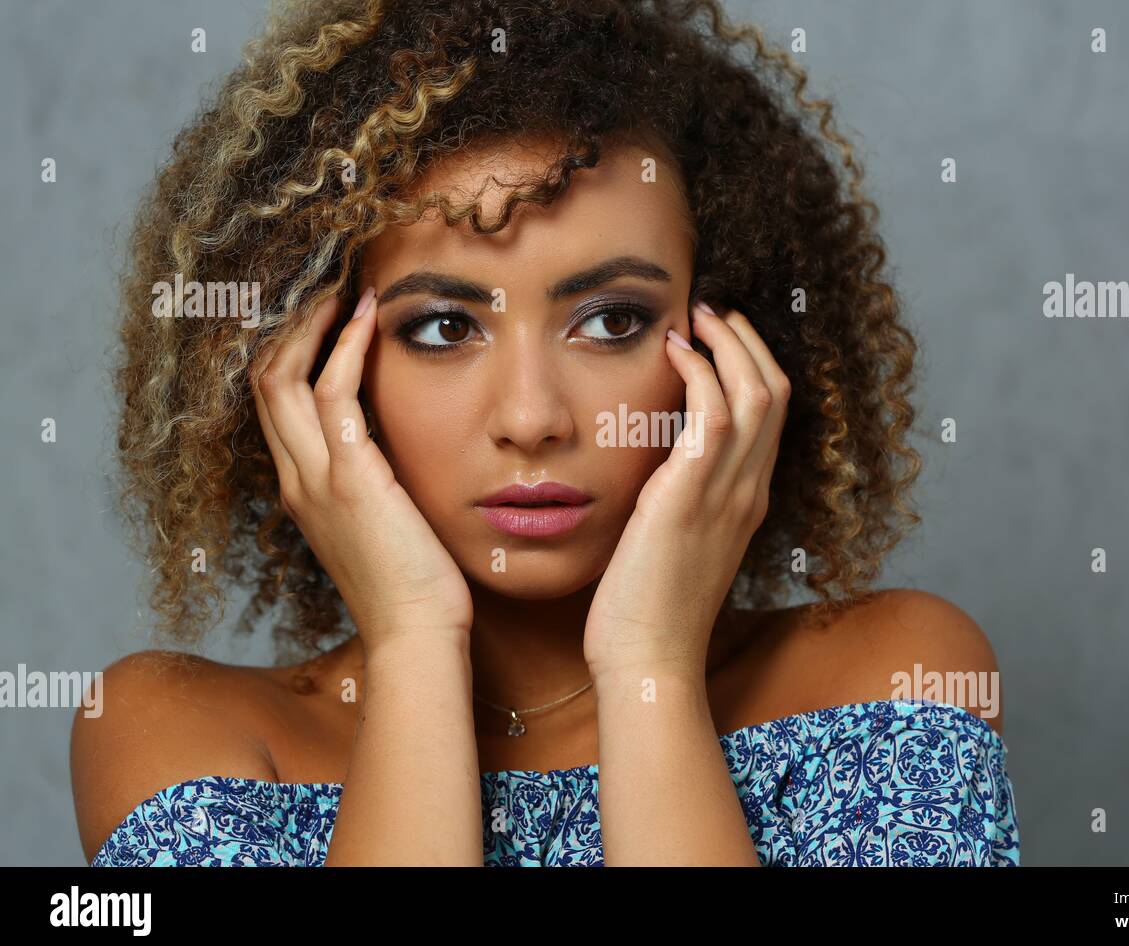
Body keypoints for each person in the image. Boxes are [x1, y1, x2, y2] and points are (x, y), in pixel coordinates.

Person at [73, 0, 1019, 866]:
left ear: (737, 342)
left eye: (611, 321)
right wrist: (410, 645)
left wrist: (650, 668)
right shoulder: (181, 734)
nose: (531, 418)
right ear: (317, 371)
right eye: (442, 327)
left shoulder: (893, 676)